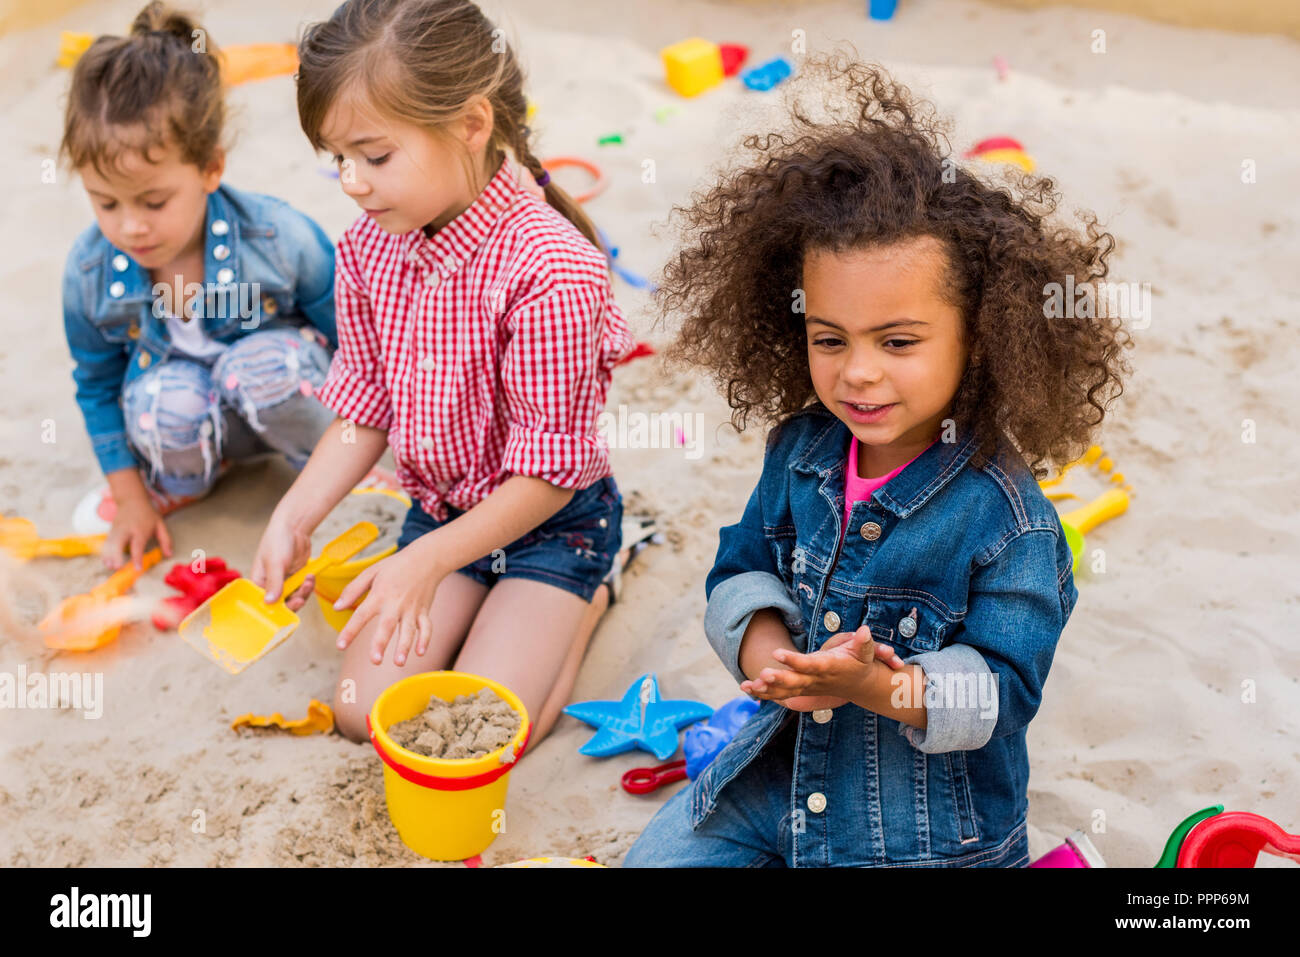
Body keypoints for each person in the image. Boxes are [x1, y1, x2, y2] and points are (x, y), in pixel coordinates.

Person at [625, 56, 1132, 867]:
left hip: (924, 830)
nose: (857, 371)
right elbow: (742, 564)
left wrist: (878, 688)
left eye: (898, 342)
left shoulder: (1009, 521)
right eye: (830, 339)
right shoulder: (799, 451)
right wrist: (770, 657)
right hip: (782, 778)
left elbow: (1000, 690)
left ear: (980, 337)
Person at [250, 0, 636, 747]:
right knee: (366, 712)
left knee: (481, 732)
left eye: (375, 155)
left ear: (470, 123)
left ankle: (589, 599)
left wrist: (424, 562)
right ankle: (495, 608)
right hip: (443, 511)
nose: (352, 183)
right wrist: (295, 516)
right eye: (338, 160)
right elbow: (364, 407)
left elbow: (550, 473)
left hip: (553, 526)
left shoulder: (551, 271)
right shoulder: (367, 249)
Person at [60, 1, 338, 571]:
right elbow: (95, 385)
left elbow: (355, 331)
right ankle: (190, 478)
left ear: (211, 168)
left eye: (153, 201)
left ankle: (320, 459)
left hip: (284, 398)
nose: (129, 225)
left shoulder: (276, 236)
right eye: (105, 202)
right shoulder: (89, 275)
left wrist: (372, 438)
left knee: (261, 367)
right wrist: (133, 498)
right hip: (193, 414)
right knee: (163, 402)